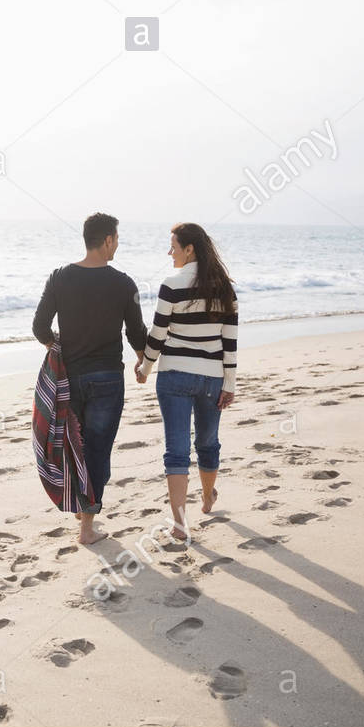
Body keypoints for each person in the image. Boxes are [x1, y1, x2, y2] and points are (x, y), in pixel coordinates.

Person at [33, 212, 148, 545]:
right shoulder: (124, 283)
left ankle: (83, 515)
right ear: (108, 240)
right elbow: (136, 332)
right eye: (116, 240)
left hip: (70, 378)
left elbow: (39, 327)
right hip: (108, 378)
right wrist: (143, 362)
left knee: (73, 446)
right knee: (98, 450)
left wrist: (56, 346)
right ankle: (87, 526)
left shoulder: (59, 278)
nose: (117, 246)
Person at [135, 222, 238, 542]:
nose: (170, 252)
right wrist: (229, 384)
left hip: (175, 375)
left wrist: (145, 367)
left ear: (189, 249)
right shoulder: (225, 288)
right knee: (208, 442)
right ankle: (208, 497)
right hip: (212, 379)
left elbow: (158, 333)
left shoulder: (171, 284)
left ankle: (180, 523)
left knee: (176, 450)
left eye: (174, 247)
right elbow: (229, 342)